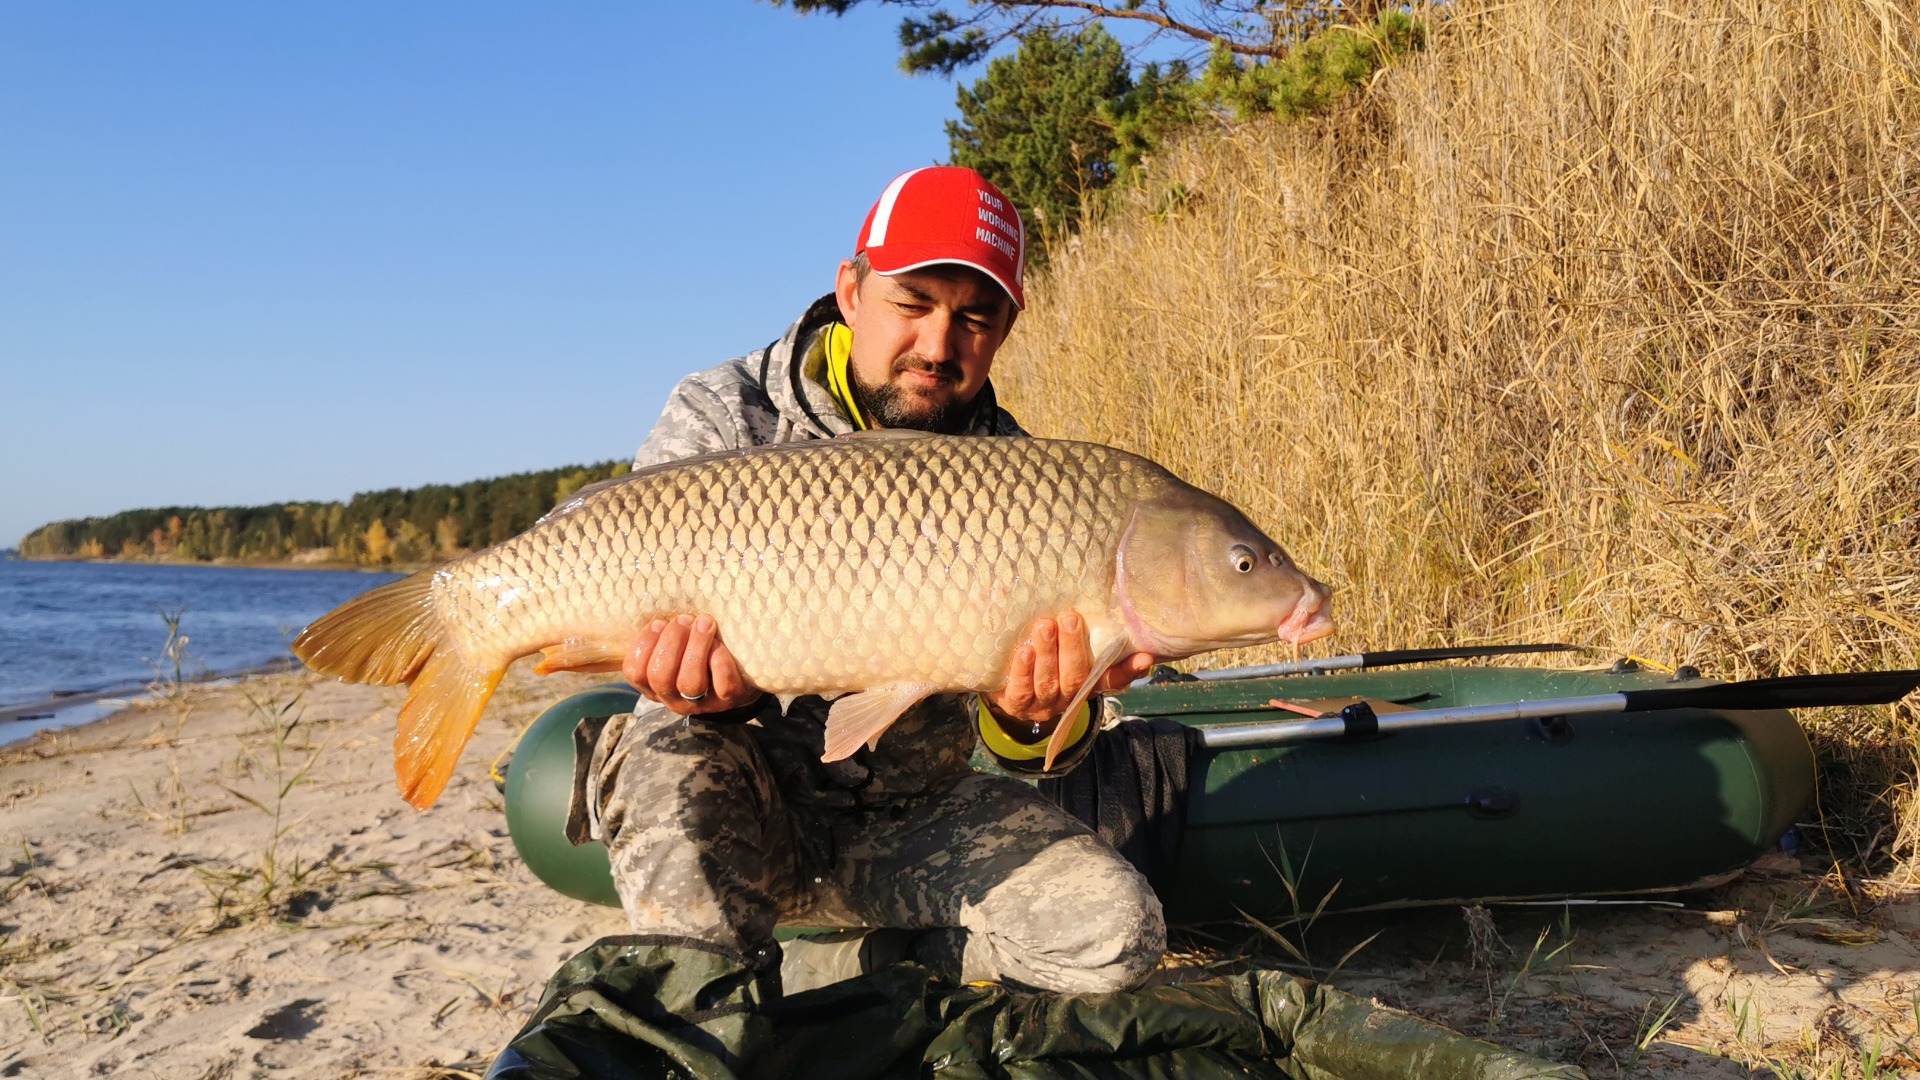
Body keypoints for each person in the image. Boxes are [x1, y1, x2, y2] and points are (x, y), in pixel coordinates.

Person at [566, 167, 1163, 1009]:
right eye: (912, 303)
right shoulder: (728, 414)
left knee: (1118, 935)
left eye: (974, 319)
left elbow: (1028, 756)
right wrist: (699, 689)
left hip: (911, 815)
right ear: (850, 292)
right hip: (742, 800)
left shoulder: (1026, 480)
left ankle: (842, 969)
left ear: (1005, 330)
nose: (938, 345)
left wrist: (1031, 717)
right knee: (664, 751)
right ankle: (718, 1009)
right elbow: (644, 628)